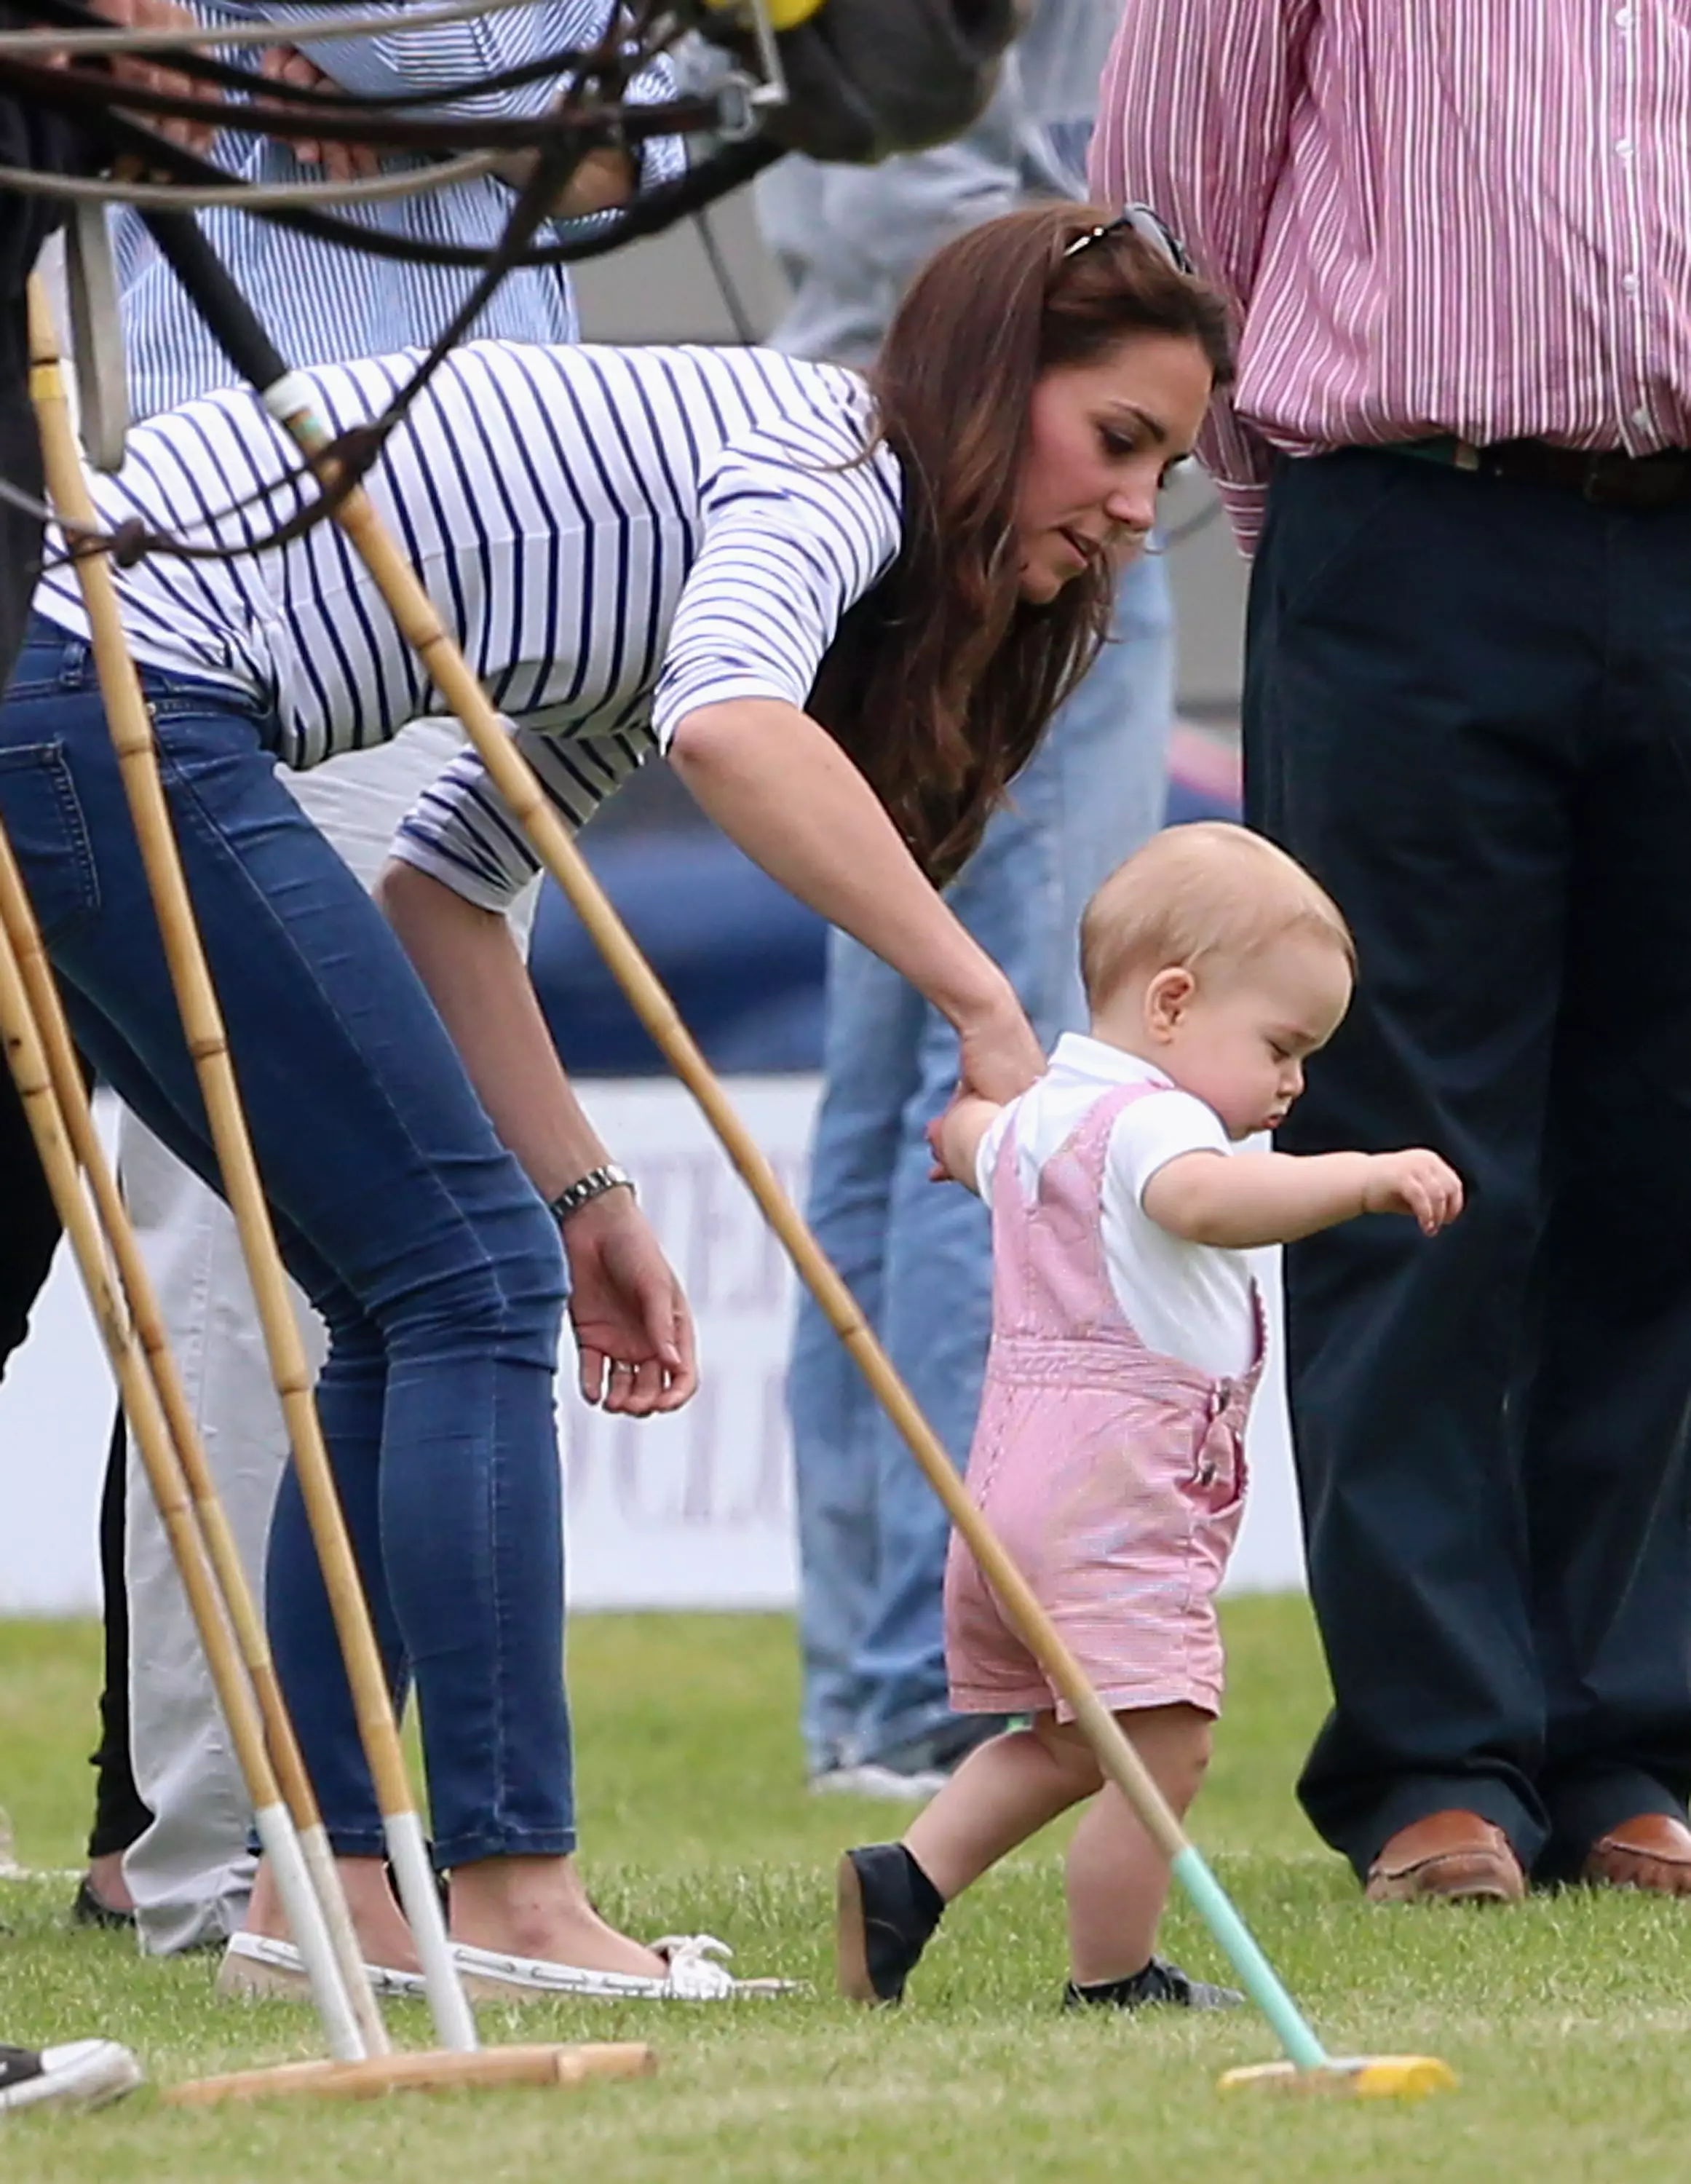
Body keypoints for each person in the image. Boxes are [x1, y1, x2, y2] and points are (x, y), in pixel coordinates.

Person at [0, 202, 1228, 1995]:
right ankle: (510, 1890)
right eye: (1118, 441)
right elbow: (738, 727)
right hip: (133, 699)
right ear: (989, 391)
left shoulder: (676, 568)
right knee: (462, 1285)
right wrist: (983, 1002)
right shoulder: (829, 461)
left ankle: (321, 1893)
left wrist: (593, 1196)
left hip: (102, 718)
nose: (1135, 504)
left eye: (1166, 465)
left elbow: (448, 896)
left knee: (411, 1285)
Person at [82, 0, 677, 1958]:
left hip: (491, 583)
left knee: (417, 1254)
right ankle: (239, 1856)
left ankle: (340, 1862)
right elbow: (125, 63)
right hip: (240, 570)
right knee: (272, 1241)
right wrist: (459, 96)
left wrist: (371, 70)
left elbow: (625, 152)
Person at [1095, 4, 1691, 1903]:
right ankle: (1436, 1761)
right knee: (1396, 1155)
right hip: (1408, 533)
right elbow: (1168, 215)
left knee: (1664, 1171)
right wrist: (1313, 526)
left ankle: (1630, 1755)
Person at [757, 0, 1178, 1800]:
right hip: (994, 479)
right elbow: (922, 175)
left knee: (887, 1121)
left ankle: (878, 1677)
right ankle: (948, 1670)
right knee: (996, 1080)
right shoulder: (1063, 399)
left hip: (911, 444)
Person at [836, 824, 1464, 2009]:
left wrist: (959, 1136)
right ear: (1171, 1004)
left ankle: (903, 1879)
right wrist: (1364, 1176)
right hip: (1114, 1495)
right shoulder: (1158, 1123)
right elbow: (1206, 1201)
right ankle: (1111, 1978)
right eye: (1282, 1047)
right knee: (1161, 1745)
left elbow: (969, 1138)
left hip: (1014, 1487)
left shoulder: (1046, 1115)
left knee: (1076, 1739)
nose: (1294, 1084)